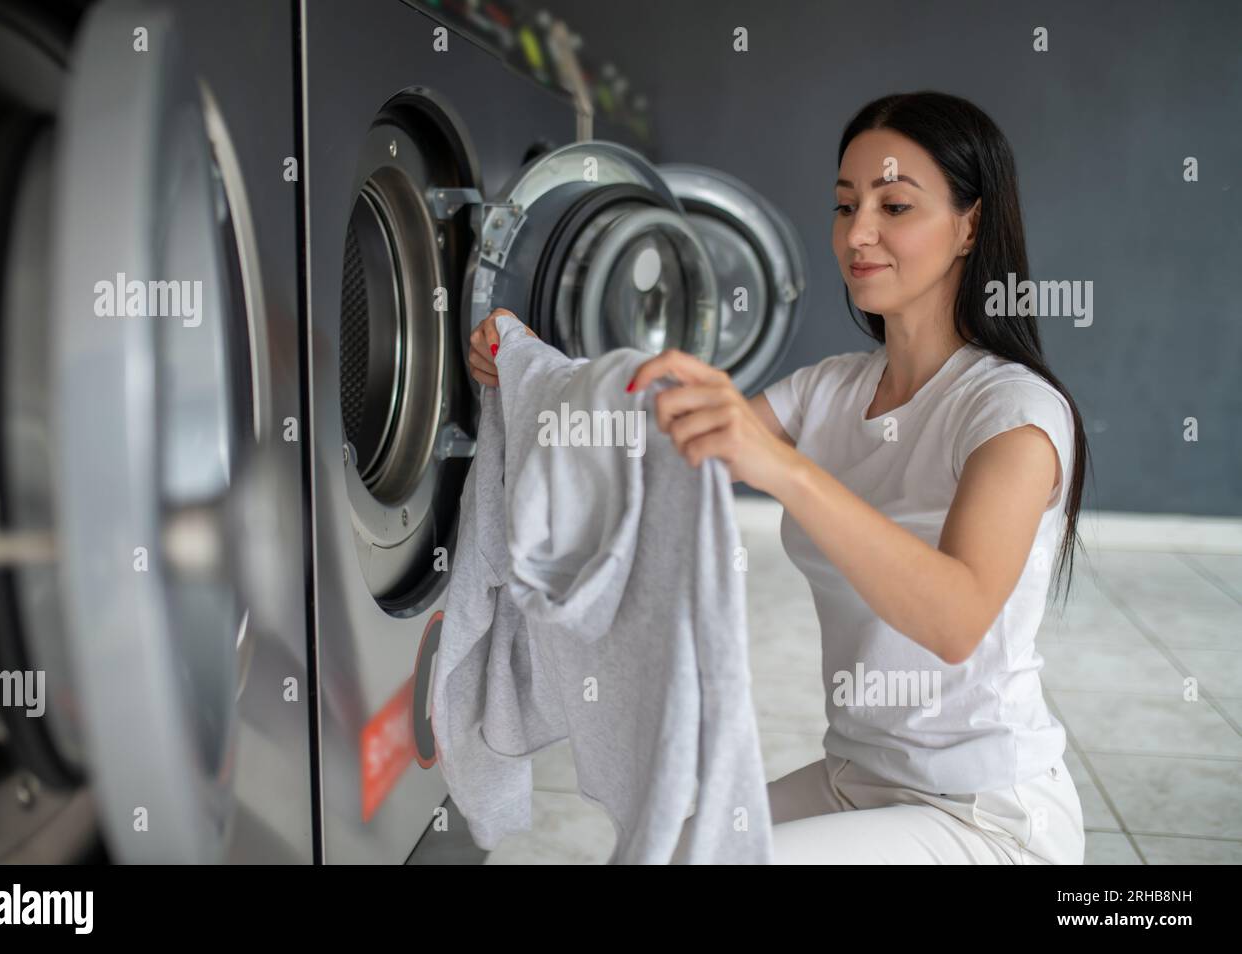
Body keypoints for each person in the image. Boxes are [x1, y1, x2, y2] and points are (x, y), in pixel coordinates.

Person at [466, 91, 1090, 864]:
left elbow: (956, 618)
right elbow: (644, 445)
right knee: (670, 850)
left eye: (895, 206)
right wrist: (530, 370)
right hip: (858, 776)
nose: (858, 234)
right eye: (844, 204)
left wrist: (784, 468)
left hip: (985, 813)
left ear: (969, 224)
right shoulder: (834, 389)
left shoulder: (1015, 413)